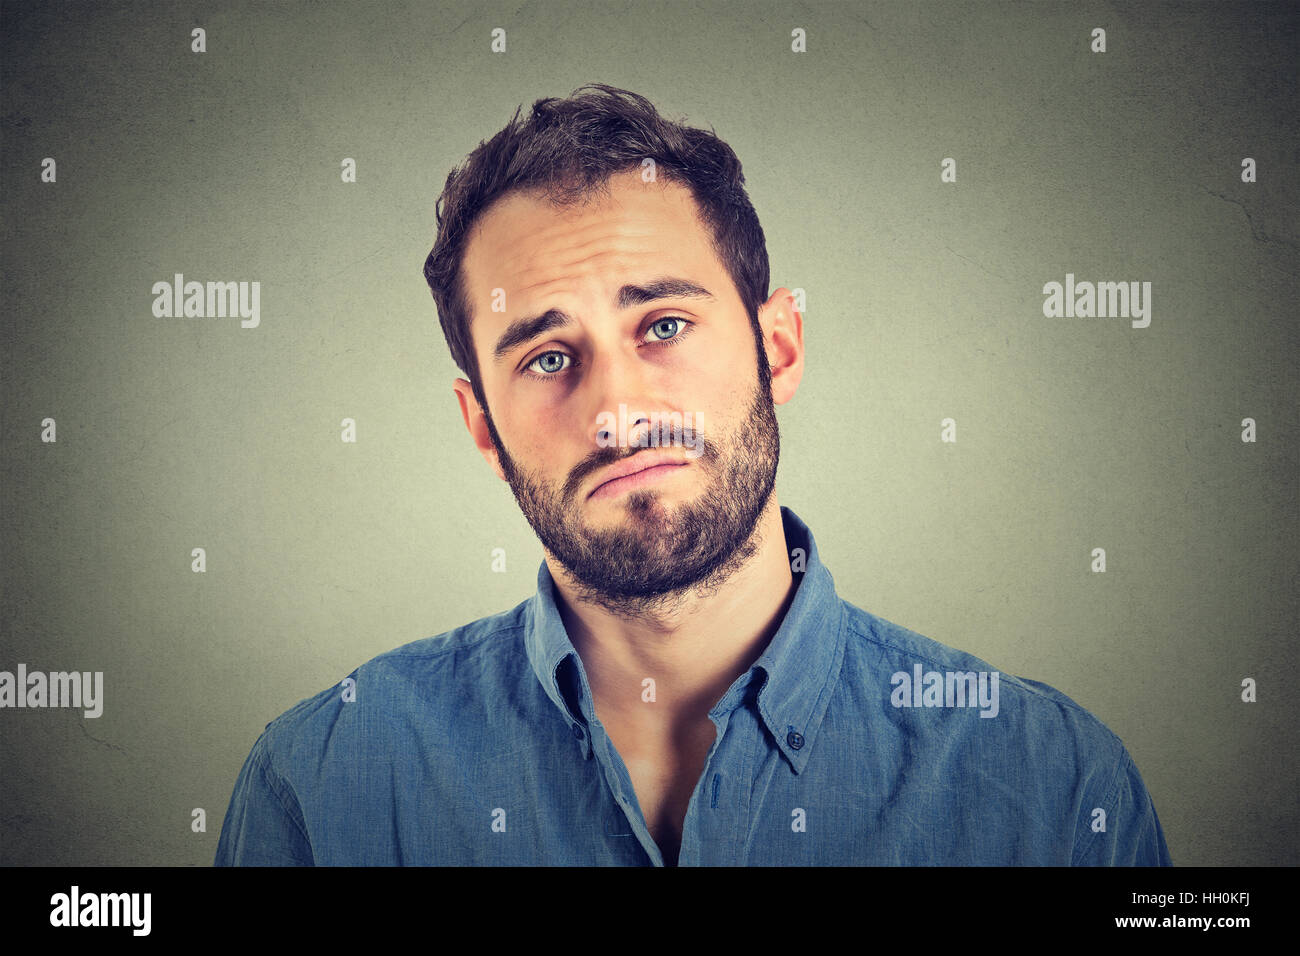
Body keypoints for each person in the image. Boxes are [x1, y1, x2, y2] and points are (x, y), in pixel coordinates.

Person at [215, 84, 1171, 866]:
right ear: (481, 425)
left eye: (663, 326)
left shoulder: (1052, 789)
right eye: (546, 356)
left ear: (779, 346)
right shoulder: (323, 785)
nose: (620, 410)